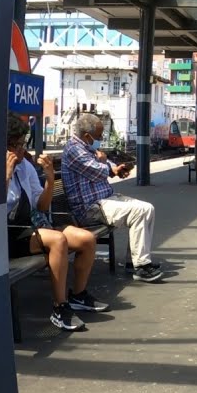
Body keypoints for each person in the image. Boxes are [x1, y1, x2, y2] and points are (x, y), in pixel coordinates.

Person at [5, 114, 109, 332]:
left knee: (86, 239)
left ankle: (78, 295)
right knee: (58, 240)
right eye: (15, 145)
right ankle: (59, 308)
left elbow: (41, 206)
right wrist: (6, 176)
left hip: (30, 227)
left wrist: (50, 180)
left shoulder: (25, 167)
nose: (21, 150)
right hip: (5, 234)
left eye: (23, 144)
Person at [61, 113, 164, 282]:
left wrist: (117, 168)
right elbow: (98, 170)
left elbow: (109, 166)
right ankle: (141, 266)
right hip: (89, 208)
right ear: (87, 136)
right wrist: (107, 165)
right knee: (140, 211)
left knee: (147, 208)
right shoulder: (74, 149)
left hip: (105, 200)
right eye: (98, 136)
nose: (101, 139)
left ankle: (136, 261)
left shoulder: (87, 147)